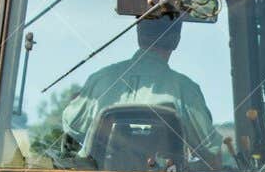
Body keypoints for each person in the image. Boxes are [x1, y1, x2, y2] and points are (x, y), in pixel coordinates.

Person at [60, 15, 222, 164]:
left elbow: (72, 127)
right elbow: (210, 151)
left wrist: (76, 102)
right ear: (176, 40)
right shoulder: (186, 89)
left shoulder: (100, 79)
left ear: (138, 34)